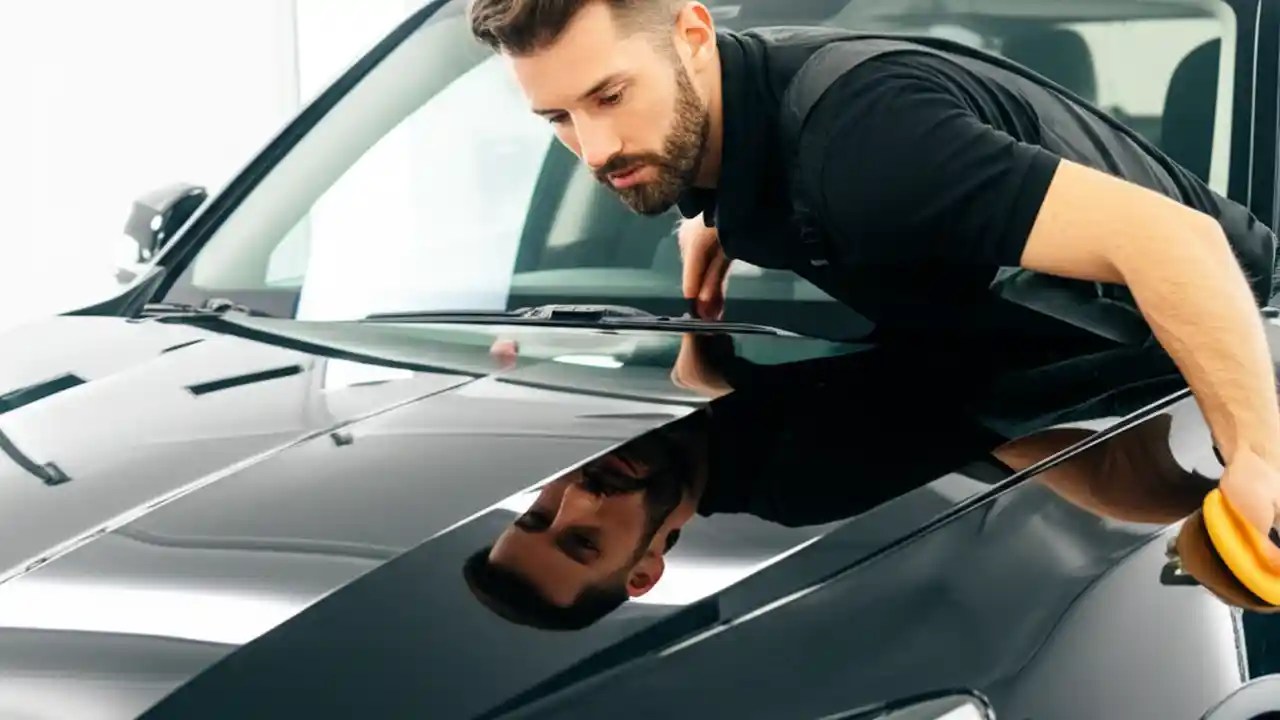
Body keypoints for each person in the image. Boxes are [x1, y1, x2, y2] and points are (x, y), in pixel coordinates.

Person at [466, 0, 1280, 547]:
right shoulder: (730, 140)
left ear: (690, 34)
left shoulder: (870, 145)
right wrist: (717, 218)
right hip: (1002, 393)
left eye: (609, 95)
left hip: (1201, 342)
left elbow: (1177, 244)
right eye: (558, 119)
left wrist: (1258, 460)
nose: (595, 149)